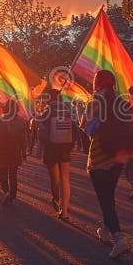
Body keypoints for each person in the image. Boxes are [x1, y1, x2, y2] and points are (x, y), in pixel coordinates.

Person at [83, 70, 132, 259]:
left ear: (98, 83)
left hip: (99, 157)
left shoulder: (95, 101)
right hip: (118, 157)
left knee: (105, 199)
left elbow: (85, 126)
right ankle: (104, 230)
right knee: (108, 195)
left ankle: (119, 239)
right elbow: (132, 126)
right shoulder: (123, 102)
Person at [40, 89, 74, 219]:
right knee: (65, 179)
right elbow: (75, 129)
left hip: (52, 148)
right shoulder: (67, 109)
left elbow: (42, 131)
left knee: (55, 178)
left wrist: (45, 143)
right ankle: (64, 211)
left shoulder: (47, 110)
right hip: (65, 148)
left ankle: (56, 201)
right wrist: (71, 144)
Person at [0, 99, 27, 204]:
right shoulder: (21, 121)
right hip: (15, 150)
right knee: (13, 175)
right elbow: (23, 139)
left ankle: (6, 192)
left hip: (2, 150)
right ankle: (12, 195)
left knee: (3, 173)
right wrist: (24, 152)